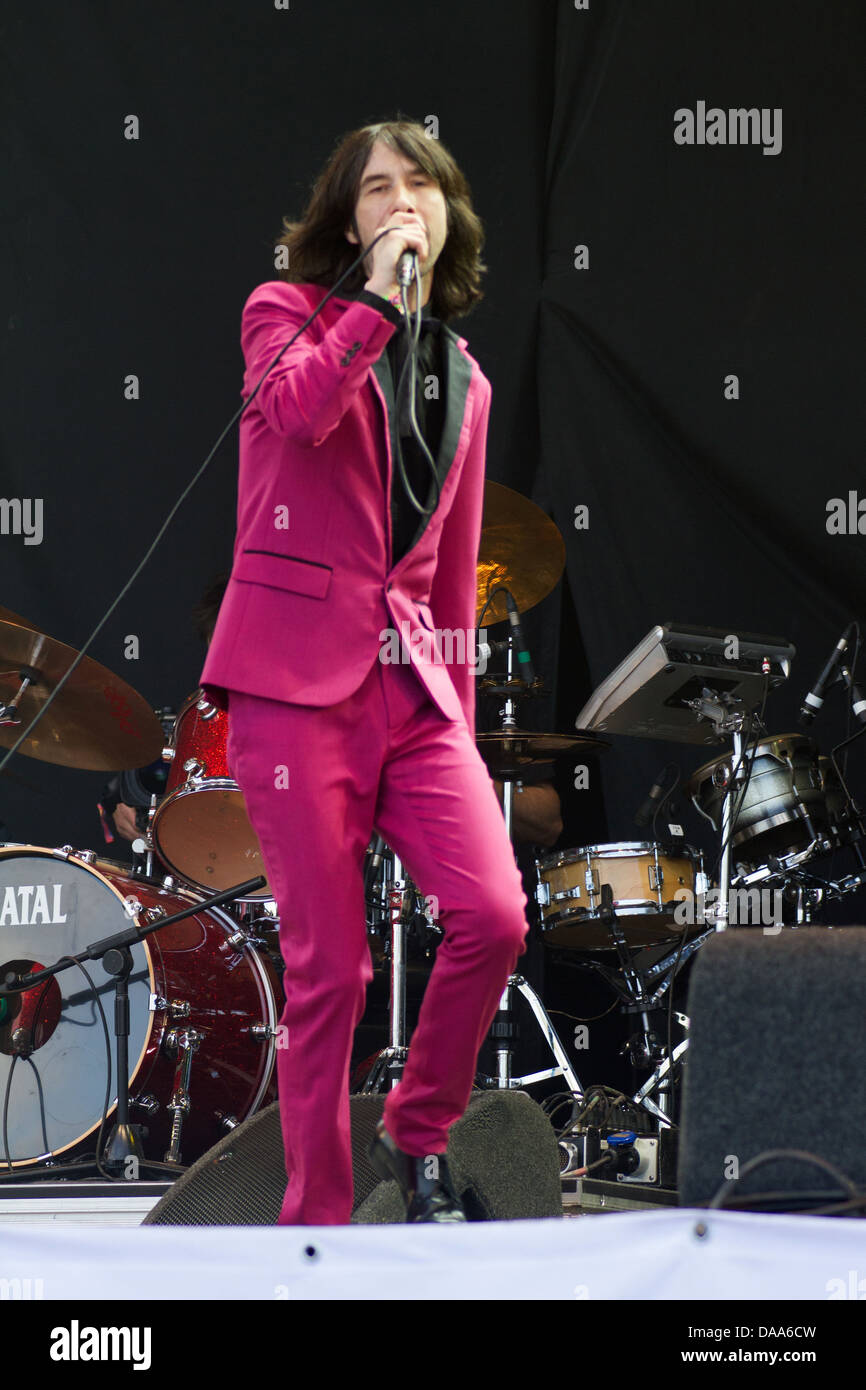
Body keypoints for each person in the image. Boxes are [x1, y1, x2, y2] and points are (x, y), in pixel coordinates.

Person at [199, 119, 531, 1225]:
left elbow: (445, 571)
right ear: (351, 221)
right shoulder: (281, 315)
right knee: (331, 970)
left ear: (445, 215)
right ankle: (320, 1225)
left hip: (414, 690)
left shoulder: (467, 381)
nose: (401, 204)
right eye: (377, 190)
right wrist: (376, 301)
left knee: (493, 911)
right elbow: (297, 409)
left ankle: (416, 1129)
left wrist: (460, 722)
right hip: (297, 685)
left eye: (420, 187)